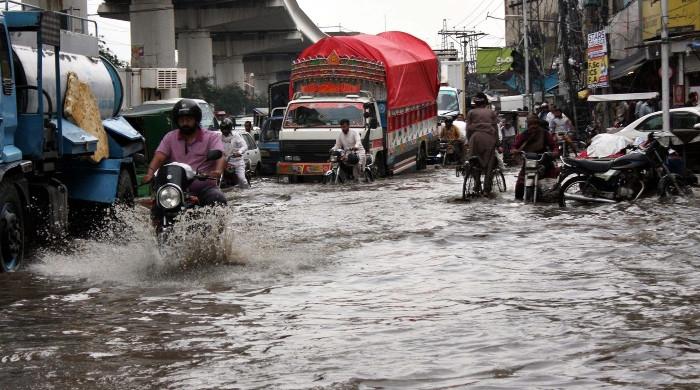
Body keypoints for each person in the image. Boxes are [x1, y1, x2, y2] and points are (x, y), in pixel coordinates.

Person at [142, 98, 227, 206]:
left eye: (188, 120)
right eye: (181, 120)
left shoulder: (211, 137)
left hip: (205, 189)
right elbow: (159, 157)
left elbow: (220, 156)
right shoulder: (170, 137)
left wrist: (217, 171)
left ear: (196, 120)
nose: (184, 123)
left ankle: (218, 223)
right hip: (175, 189)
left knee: (217, 198)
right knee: (156, 206)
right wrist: (150, 174)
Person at [511, 114, 559, 200]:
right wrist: (514, 150)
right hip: (529, 160)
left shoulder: (545, 133)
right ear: (528, 124)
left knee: (552, 178)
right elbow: (515, 146)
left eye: (535, 123)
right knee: (520, 184)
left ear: (538, 123)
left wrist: (555, 152)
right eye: (531, 124)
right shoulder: (524, 134)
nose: (533, 126)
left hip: (543, 159)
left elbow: (553, 146)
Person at [466, 92, 499, 196]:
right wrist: (497, 143)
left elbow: (468, 129)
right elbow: (495, 129)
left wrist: (469, 141)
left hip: (475, 139)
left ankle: (476, 184)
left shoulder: (471, 112)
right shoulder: (491, 112)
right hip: (489, 138)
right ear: (486, 103)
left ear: (475, 103)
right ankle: (486, 190)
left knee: (473, 161)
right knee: (489, 165)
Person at [220, 118, 249, 189]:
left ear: (229, 128)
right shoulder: (218, 137)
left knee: (242, 180)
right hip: (224, 162)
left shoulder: (236, 136)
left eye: (226, 129)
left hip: (237, 162)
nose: (224, 131)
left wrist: (239, 152)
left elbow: (245, 146)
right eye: (223, 129)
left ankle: (247, 192)